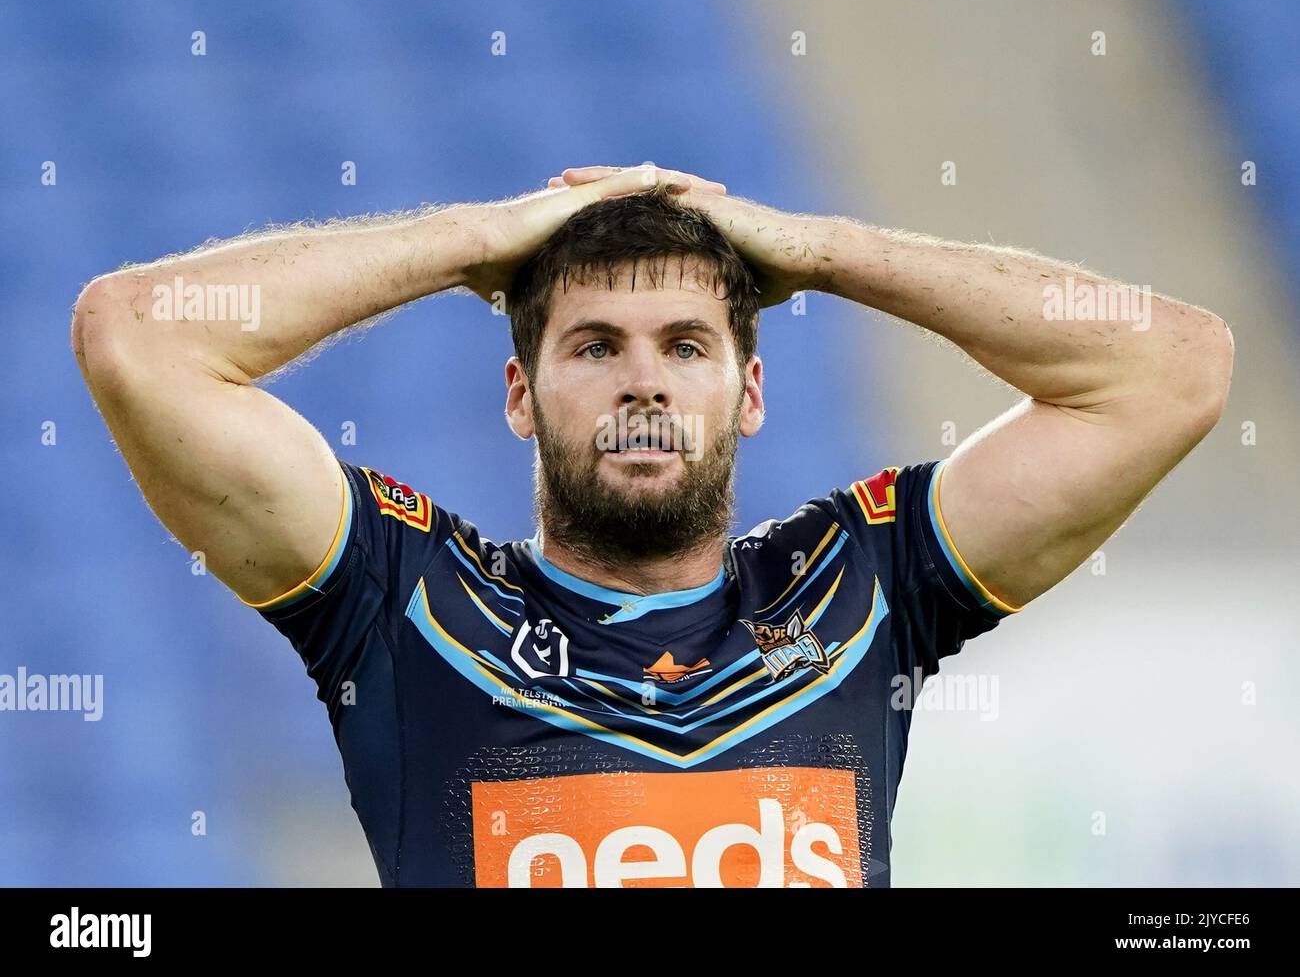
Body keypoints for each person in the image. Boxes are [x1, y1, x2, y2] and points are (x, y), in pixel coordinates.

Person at [71, 163, 1233, 887]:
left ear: (751, 390)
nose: (645, 384)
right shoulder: (406, 603)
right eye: (592, 347)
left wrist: (824, 251)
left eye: (686, 346)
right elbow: (138, 334)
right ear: (520, 394)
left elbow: (1173, 368)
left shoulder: (858, 586)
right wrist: (483, 238)